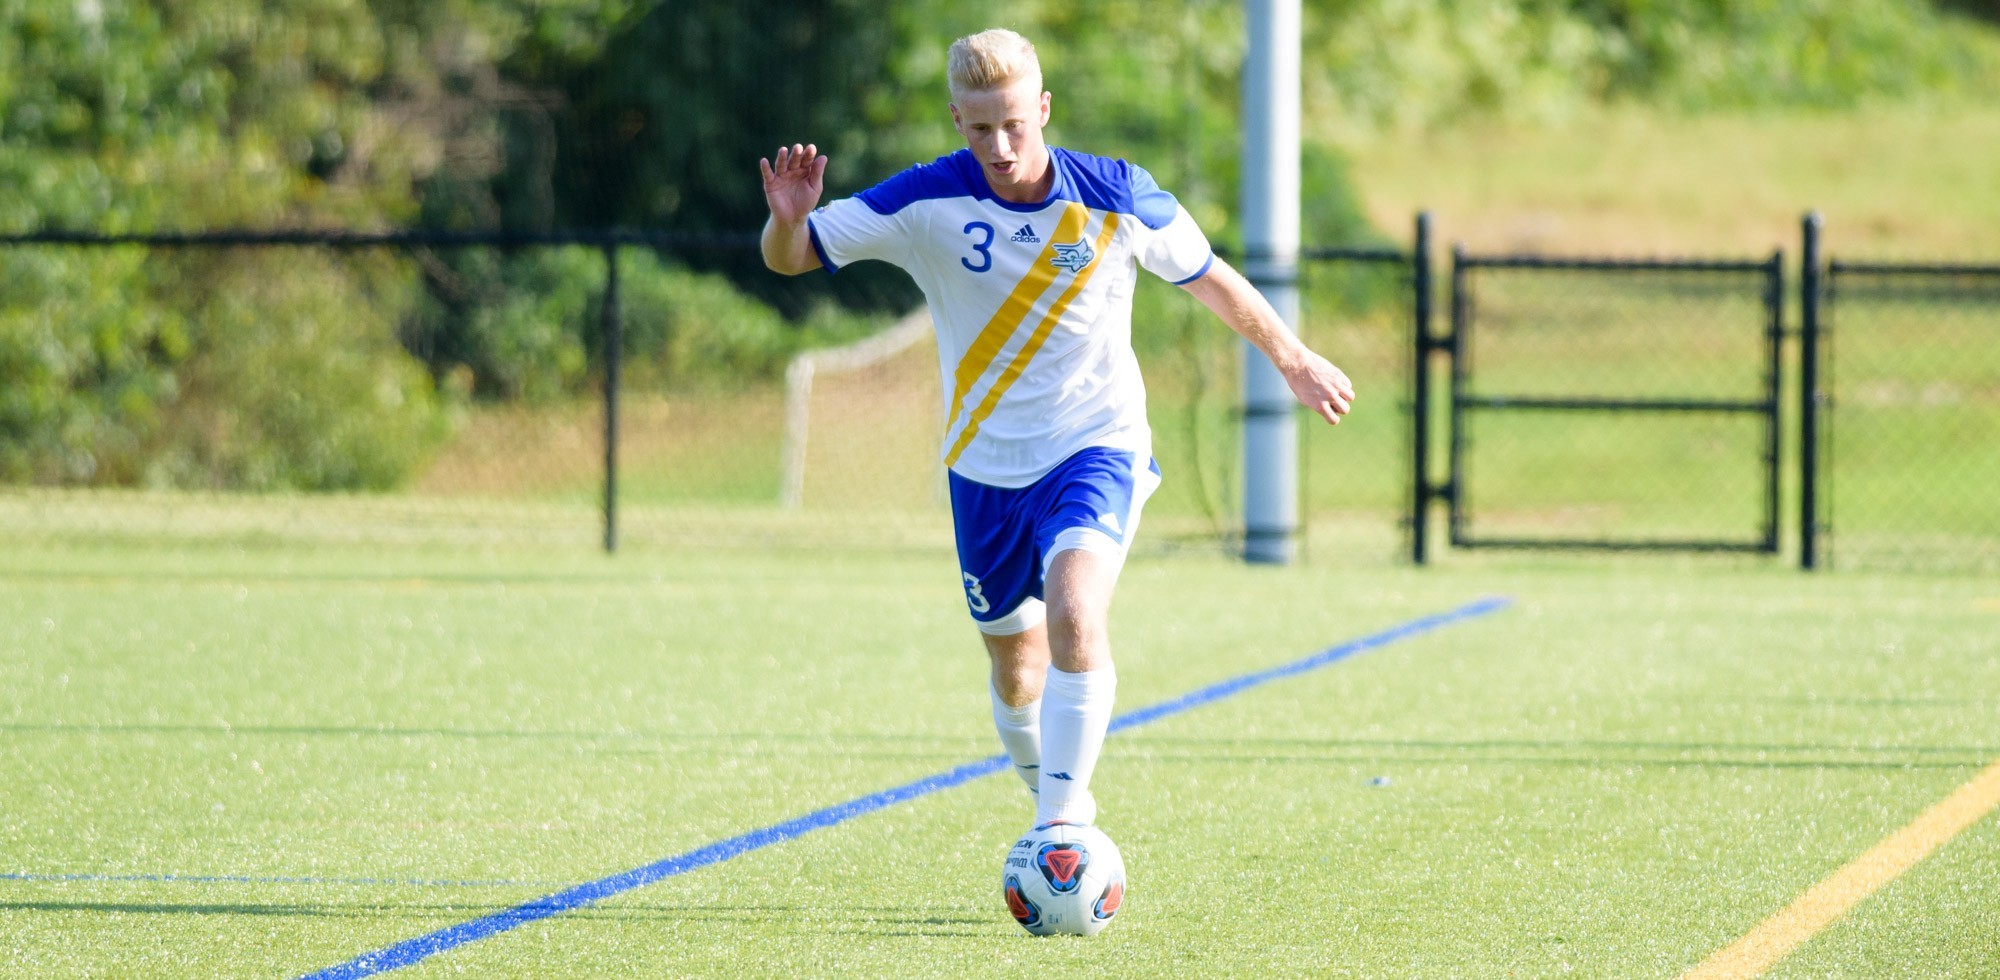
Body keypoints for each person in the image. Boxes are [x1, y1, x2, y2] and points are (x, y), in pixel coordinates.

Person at [759, 28, 1353, 831]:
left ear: (1042, 108)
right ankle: (1055, 799)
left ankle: (1062, 829)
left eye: (1014, 124)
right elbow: (790, 259)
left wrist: (1293, 357)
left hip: (1094, 445)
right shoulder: (924, 200)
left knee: (1075, 612)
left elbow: (1208, 277)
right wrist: (790, 222)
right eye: (979, 129)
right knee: (1017, 668)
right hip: (984, 469)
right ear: (956, 122)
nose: (1000, 147)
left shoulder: (1116, 193)